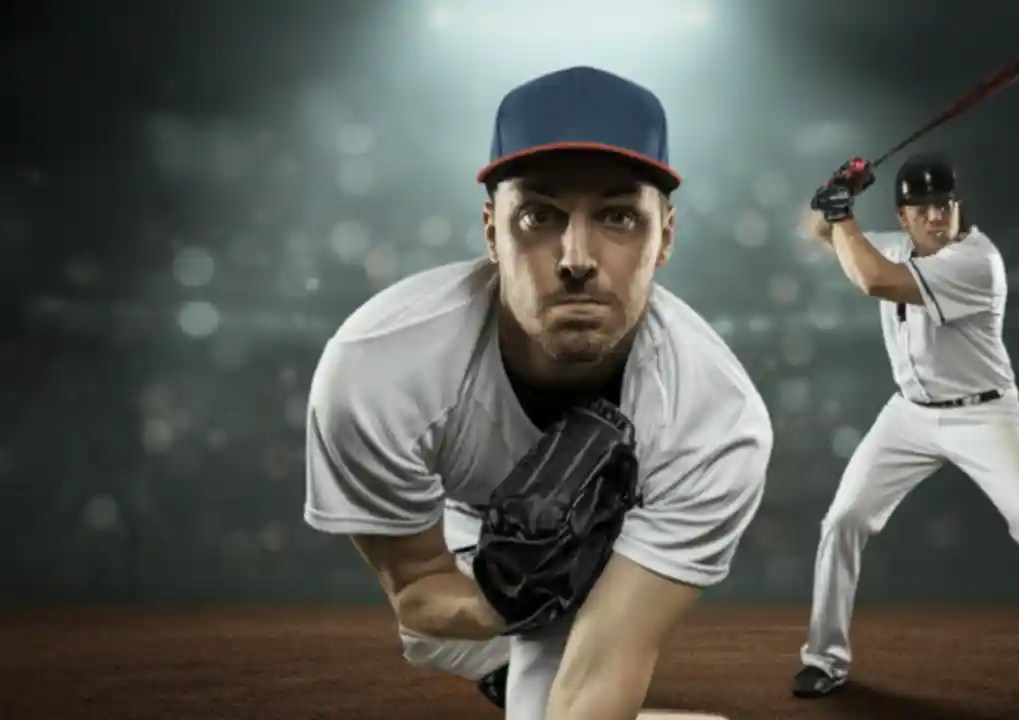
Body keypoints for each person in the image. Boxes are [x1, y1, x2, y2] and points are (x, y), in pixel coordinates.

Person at [302, 65, 771, 720]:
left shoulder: (714, 417)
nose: (577, 256)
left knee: (559, 687)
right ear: (491, 231)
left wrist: (558, 601)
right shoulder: (378, 371)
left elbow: (609, 659)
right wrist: (502, 598)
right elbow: (416, 590)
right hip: (469, 539)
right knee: (432, 639)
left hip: (608, 552)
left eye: (617, 216)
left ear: (665, 236)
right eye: (538, 216)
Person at [788, 153, 1019, 720]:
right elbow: (815, 229)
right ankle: (824, 659)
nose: (936, 217)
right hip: (908, 414)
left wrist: (843, 215)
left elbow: (873, 279)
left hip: (986, 415)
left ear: (958, 208)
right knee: (843, 519)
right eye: (923, 207)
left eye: (945, 204)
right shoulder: (893, 241)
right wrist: (835, 193)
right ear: (903, 216)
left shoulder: (977, 261)